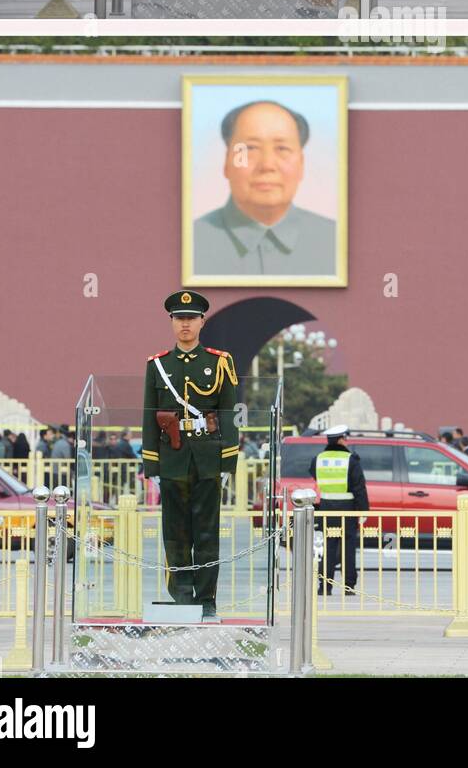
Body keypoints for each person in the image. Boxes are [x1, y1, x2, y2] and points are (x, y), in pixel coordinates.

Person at [141, 290, 239, 619]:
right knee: (176, 532)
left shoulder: (219, 362)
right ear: (172, 323)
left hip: (208, 458)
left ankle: (206, 599)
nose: (185, 325)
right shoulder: (157, 365)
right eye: (179, 319)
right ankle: (182, 597)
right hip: (172, 458)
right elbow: (149, 415)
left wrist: (228, 459)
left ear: (201, 322)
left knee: (207, 531)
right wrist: (151, 462)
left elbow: (228, 413)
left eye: (191, 319)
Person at [193, 99, 336, 276]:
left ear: (301, 164)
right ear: (227, 162)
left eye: (282, 148)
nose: (267, 165)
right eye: (250, 148)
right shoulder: (189, 242)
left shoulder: (337, 242)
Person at [309, 424, 369, 596]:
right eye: (345, 438)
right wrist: (364, 511)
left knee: (328, 548)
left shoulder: (318, 459)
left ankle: (324, 586)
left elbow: (315, 475)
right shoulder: (351, 459)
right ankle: (349, 587)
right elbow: (359, 488)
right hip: (347, 510)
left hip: (327, 508)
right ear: (341, 440)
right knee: (348, 549)